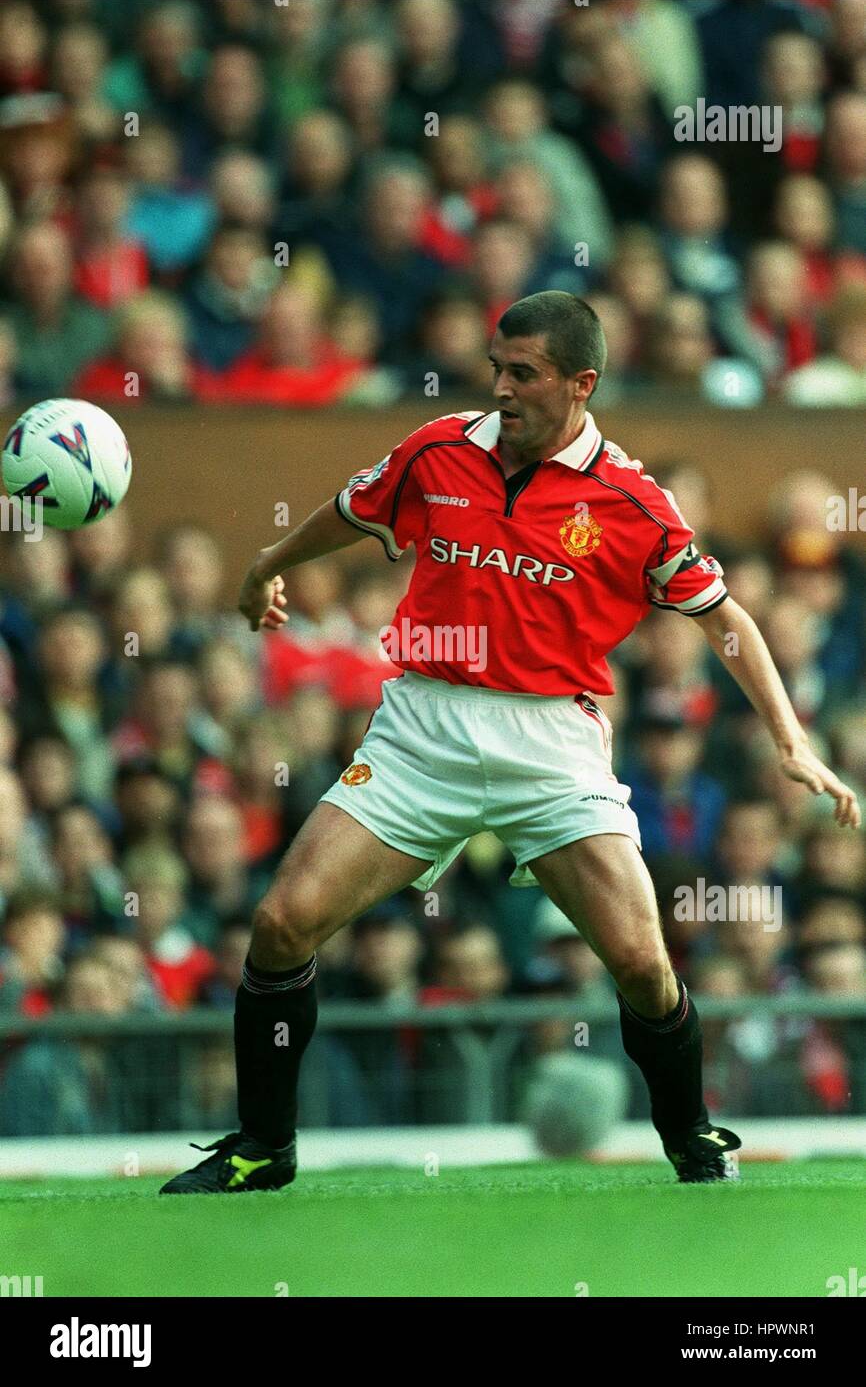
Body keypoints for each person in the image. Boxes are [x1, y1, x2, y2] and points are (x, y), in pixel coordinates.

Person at [160, 290, 860, 1195]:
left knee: (645, 965)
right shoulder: (439, 449)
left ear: (582, 384)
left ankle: (691, 1140)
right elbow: (352, 508)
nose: (501, 389)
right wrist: (266, 567)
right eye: (496, 368)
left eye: (522, 374)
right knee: (281, 924)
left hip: (550, 745)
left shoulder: (634, 503)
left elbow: (727, 622)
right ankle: (263, 1148)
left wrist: (791, 741)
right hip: (423, 728)